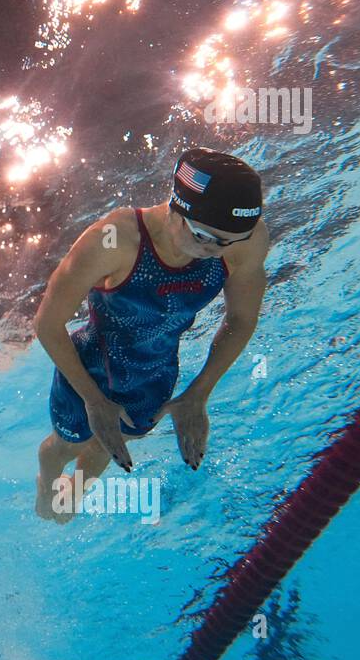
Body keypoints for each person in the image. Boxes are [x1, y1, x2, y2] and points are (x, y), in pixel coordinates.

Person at [33, 148, 269, 523]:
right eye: (205, 237)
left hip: (154, 374)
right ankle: (47, 482)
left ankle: (76, 490)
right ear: (177, 207)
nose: (214, 252)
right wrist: (94, 401)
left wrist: (198, 395)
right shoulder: (113, 240)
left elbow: (241, 319)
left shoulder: (243, 241)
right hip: (89, 369)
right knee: (66, 445)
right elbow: (47, 323)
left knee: (113, 444)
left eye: (229, 241)